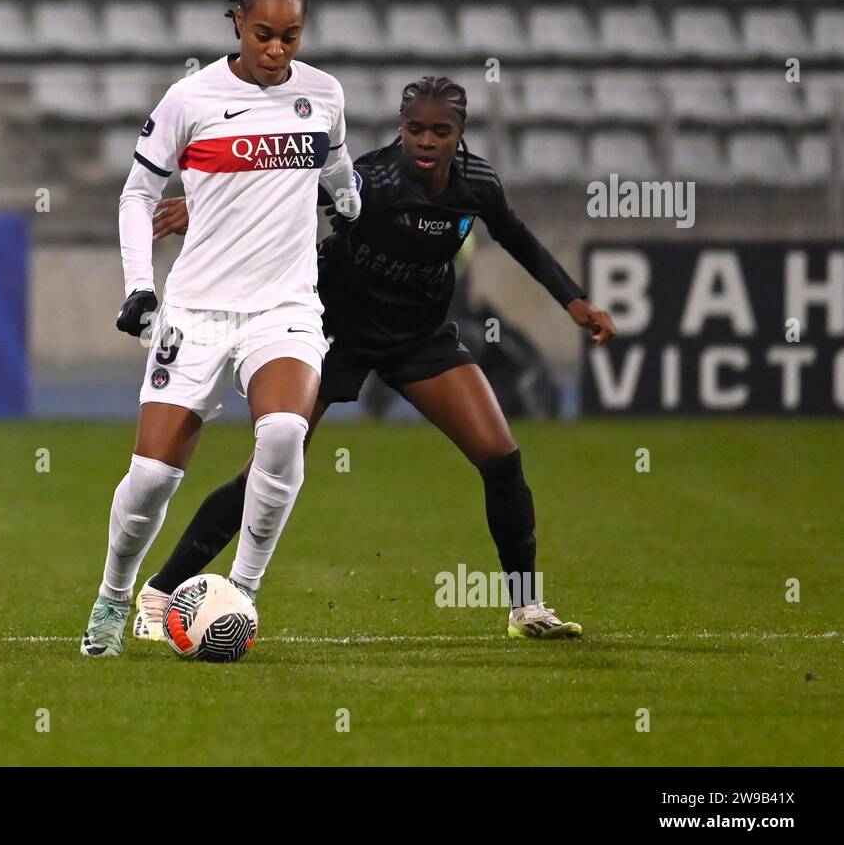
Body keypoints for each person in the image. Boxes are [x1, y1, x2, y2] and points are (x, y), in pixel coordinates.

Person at [134, 75, 618, 641]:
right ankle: (160, 592)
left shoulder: (477, 185)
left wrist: (575, 301)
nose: (426, 141)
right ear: (400, 128)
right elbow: (283, 191)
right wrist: (206, 208)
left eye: (441, 130)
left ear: (460, 134)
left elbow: (518, 238)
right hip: (333, 328)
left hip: (419, 335)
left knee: (502, 459)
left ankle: (527, 608)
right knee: (271, 464)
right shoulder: (374, 176)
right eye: (415, 129)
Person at [79, 0, 362, 656]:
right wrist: (139, 286)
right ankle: (114, 600)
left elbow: (335, 166)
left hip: (285, 307)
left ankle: (243, 590)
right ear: (237, 21)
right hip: (198, 310)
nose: (276, 49)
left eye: (290, 36)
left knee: (284, 433)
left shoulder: (324, 94)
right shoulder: (190, 99)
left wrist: (350, 198)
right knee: (150, 479)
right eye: (263, 33)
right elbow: (138, 194)